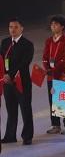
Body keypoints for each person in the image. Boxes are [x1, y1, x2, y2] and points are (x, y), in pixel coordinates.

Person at [2, 18, 35, 146]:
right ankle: (10, 135)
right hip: (8, 83)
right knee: (11, 110)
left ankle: (27, 136)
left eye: (15, 27)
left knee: (25, 109)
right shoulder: (5, 42)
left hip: (22, 82)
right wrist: (4, 75)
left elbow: (24, 63)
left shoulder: (27, 44)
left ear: (22, 28)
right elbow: (1, 60)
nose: (12, 29)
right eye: (10, 27)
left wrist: (10, 74)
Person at [43, 15, 65, 134]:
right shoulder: (48, 41)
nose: (53, 26)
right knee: (52, 100)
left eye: (55, 24)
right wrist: (47, 67)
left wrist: (54, 69)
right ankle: (55, 124)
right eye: (52, 24)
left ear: (62, 27)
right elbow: (45, 57)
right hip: (51, 75)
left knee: (63, 99)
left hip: (62, 75)